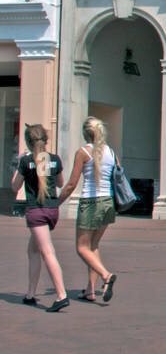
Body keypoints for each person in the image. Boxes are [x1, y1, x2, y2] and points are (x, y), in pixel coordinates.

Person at [57, 115, 121, 303]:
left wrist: (56, 203)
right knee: (93, 246)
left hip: (91, 203)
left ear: (85, 133)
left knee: (81, 247)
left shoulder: (83, 152)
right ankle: (90, 290)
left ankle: (106, 275)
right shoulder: (111, 152)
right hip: (108, 202)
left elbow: (71, 185)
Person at [10, 123, 69, 311]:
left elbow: (14, 186)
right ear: (46, 140)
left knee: (47, 252)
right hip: (52, 209)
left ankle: (61, 295)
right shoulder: (54, 159)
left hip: (37, 211)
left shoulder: (26, 161)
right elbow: (60, 182)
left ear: (28, 142)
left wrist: (20, 166)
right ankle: (30, 294)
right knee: (33, 251)